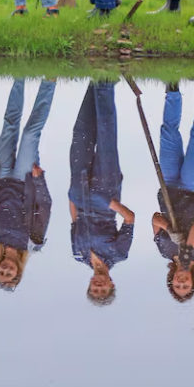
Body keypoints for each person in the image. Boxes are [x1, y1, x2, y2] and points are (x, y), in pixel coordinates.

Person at [0, 78, 55, 291]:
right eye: (9, 274)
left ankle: (19, 76)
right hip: (25, 180)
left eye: (1, 272)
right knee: (31, 133)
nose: (5, 269)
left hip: (2, 176)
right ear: (18, 271)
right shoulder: (33, 242)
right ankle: (49, 82)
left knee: (9, 125)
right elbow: (45, 207)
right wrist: (39, 180)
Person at [68, 79, 133, 305]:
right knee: (106, 134)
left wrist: (72, 195)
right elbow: (130, 218)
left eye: (93, 291)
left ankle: (93, 82)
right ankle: (106, 82)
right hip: (107, 190)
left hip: (81, 191)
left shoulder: (78, 254)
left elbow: (74, 220)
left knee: (80, 134)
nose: (98, 287)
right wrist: (108, 202)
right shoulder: (118, 253)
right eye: (102, 290)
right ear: (111, 284)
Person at [153, 80, 194, 303]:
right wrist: (188, 250)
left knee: (168, 134)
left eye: (177, 285)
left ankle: (172, 88)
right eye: (185, 285)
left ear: (171, 279)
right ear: (192, 281)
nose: (181, 282)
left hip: (170, 189)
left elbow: (155, 219)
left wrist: (169, 229)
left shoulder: (165, 251)